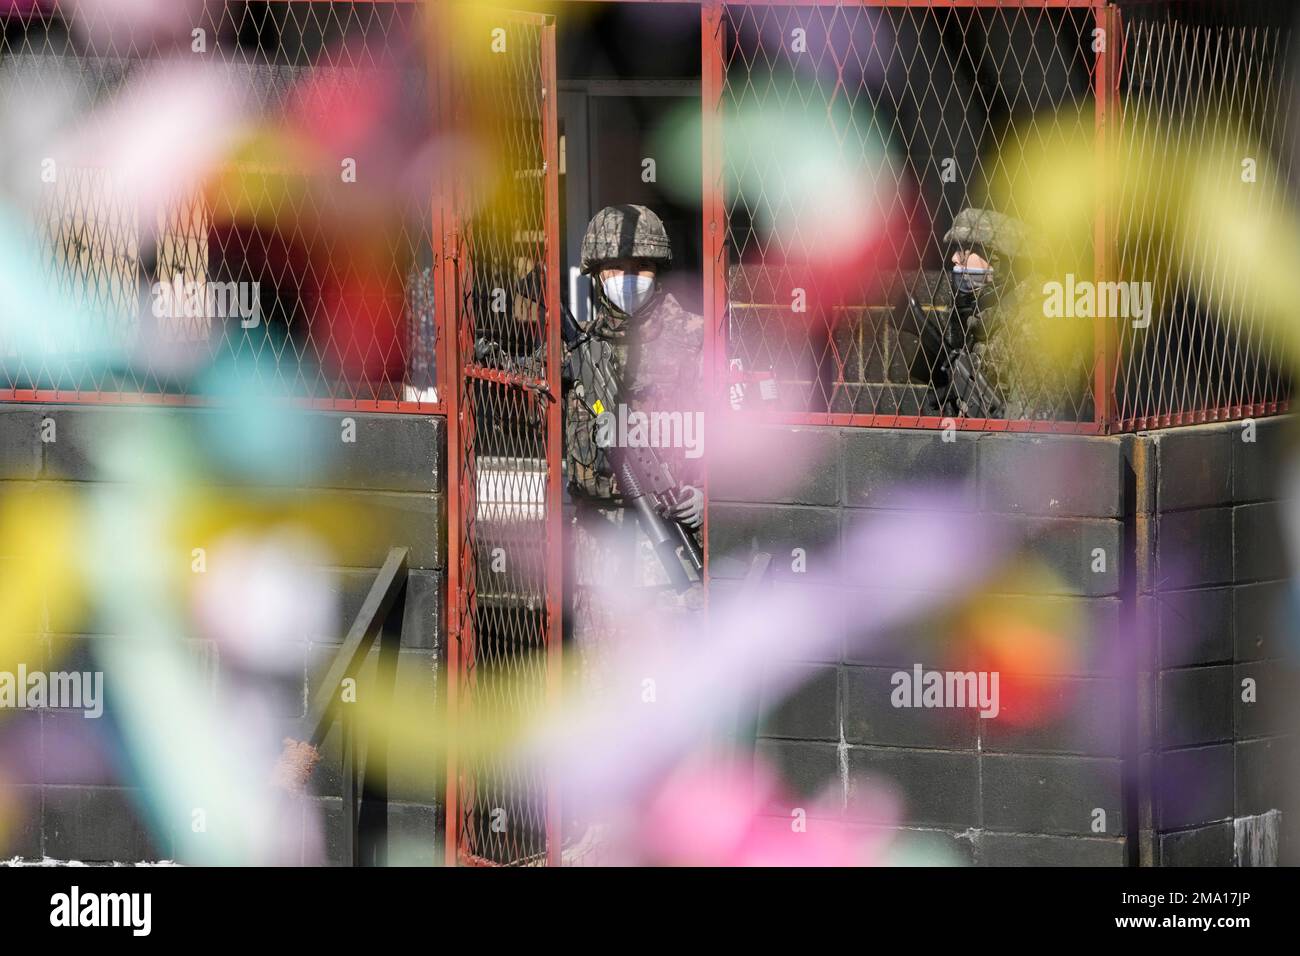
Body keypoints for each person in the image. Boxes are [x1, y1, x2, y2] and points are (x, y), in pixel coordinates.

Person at [562, 204, 705, 650]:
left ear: (657, 271)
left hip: (672, 561)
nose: (628, 279)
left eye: (640, 267)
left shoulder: (693, 340)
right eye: (615, 269)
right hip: (599, 563)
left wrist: (707, 494)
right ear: (596, 276)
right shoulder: (578, 351)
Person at [901, 206, 1085, 421]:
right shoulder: (974, 310)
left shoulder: (1037, 325)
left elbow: (1036, 432)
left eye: (966, 250)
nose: (954, 258)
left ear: (997, 261)